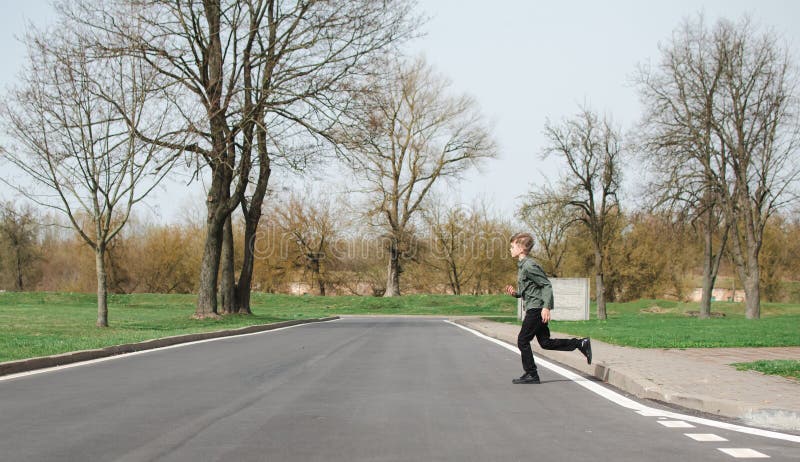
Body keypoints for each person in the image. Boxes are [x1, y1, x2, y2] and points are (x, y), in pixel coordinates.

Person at [504, 232, 592, 384]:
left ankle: (532, 373)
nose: (510, 249)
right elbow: (531, 288)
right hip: (534, 306)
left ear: (522, 248)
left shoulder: (529, 266)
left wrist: (546, 307)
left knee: (522, 340)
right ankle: (580, 343)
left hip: (537, 309)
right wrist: (516, 294)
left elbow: (546, 285)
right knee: (545, 342)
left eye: (512, 246)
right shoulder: (523, 266)